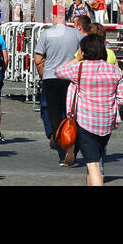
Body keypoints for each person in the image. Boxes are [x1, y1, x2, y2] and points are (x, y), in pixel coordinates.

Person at [53, 34, 123, 186]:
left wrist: (77, 58)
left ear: (84, 50)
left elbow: (58, 71)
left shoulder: (79, 68)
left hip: (85, 122)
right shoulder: (114, 70)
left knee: (93, 165)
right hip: (106, 123)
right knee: (94, 162)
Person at [33, 19, 83, 165]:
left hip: (51, 77)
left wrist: (43, 74)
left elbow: (38, 58)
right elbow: (82, 54)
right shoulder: (77, 34)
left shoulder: (46, 34)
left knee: (54, 115)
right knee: (72, 114)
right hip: (70, 78)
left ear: (54, 18)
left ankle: (62, 152)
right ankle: (73, 146)